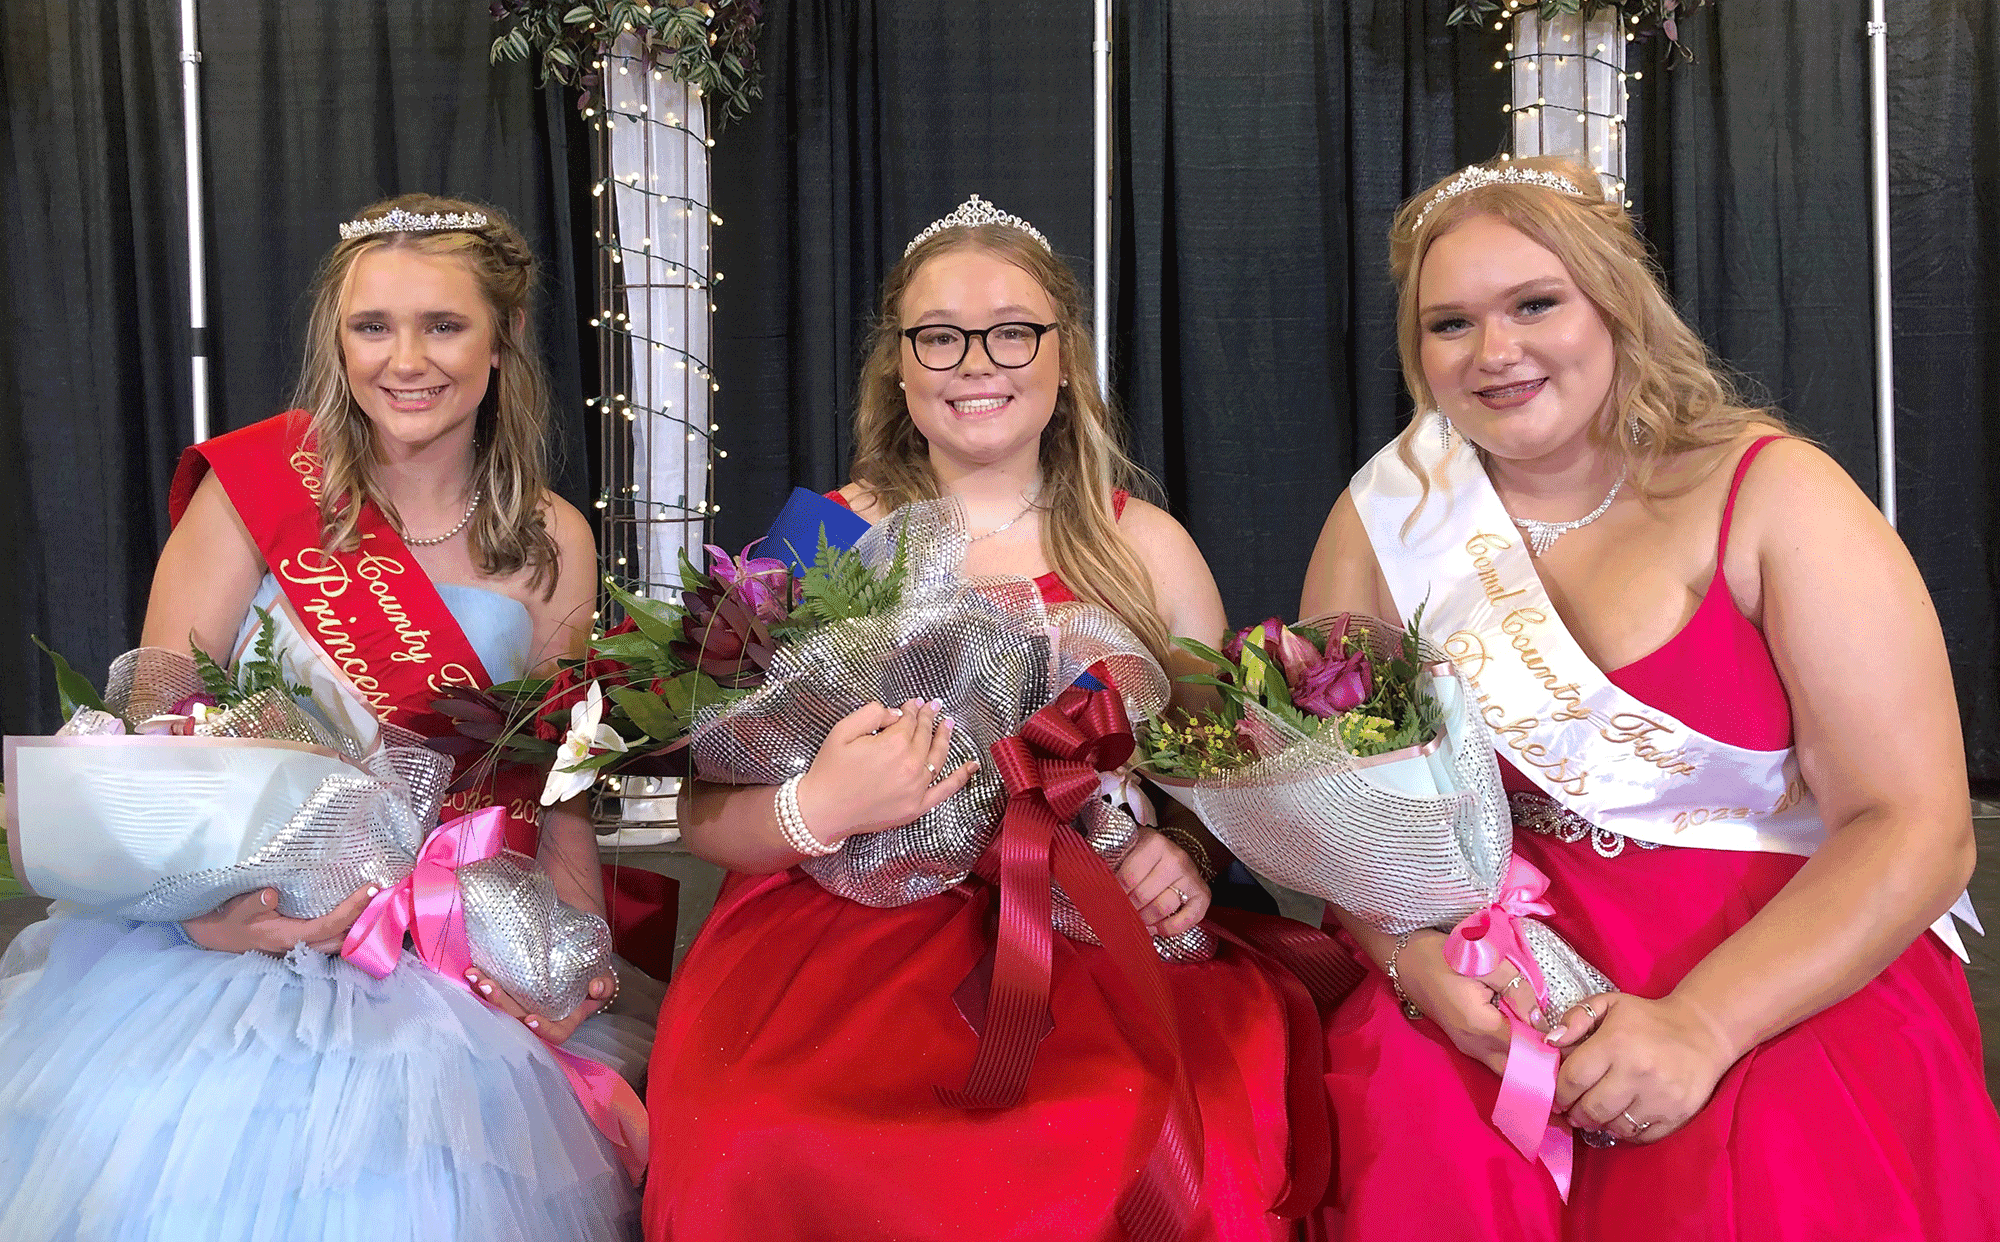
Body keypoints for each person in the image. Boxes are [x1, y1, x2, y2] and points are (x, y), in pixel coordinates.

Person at [1298, 157, 2000, 1240]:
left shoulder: (1773, 492)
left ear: (1616, 304)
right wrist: (1411, 962)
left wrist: (1702, 1026)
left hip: (1770, 968)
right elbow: (1338, 819)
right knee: (1412, 1137)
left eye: (1535, 304)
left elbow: (1916, 826)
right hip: (1490, 985)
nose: (1494, 352)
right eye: (1450, 324)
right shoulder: (1385, 518)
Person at [642, 197, 1323, 1241]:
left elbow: (1217, 782)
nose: (975, 363)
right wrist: (819, 805)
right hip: (840, 940)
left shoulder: (1146, 548)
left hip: (1089, 928)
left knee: (1138, 1138)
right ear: (898, 366)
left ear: (1064, 358)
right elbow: (697, 811)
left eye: (1011, 332)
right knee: (763, 1136)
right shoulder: (817, 538)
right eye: (939, 336)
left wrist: (1181, 853)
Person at [0, 194, 653, 1240]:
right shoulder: (255, 490)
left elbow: (554, 779)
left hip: (442, 950)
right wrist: (210, 919)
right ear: (338, 341)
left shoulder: (552, 539)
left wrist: (577, 959)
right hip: (234, 940)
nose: (407, 360)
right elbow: (155, 720)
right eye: (372, 326)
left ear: (503, 339)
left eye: (444, 325)